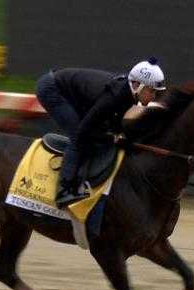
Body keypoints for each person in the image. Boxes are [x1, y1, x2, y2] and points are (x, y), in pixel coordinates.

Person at [35, 58, 167, 207]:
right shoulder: (115, 96)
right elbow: (85, 130)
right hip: (51, 89)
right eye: (151, 91)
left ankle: (79, 178)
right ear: (137, 85)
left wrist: (119, 136)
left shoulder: (128, 93)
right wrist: (112, 138)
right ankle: (63, 190)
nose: (153, 96)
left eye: (156, 92)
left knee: (95, 136)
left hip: (68, 88)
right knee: (79, 137)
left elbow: (115, 121)